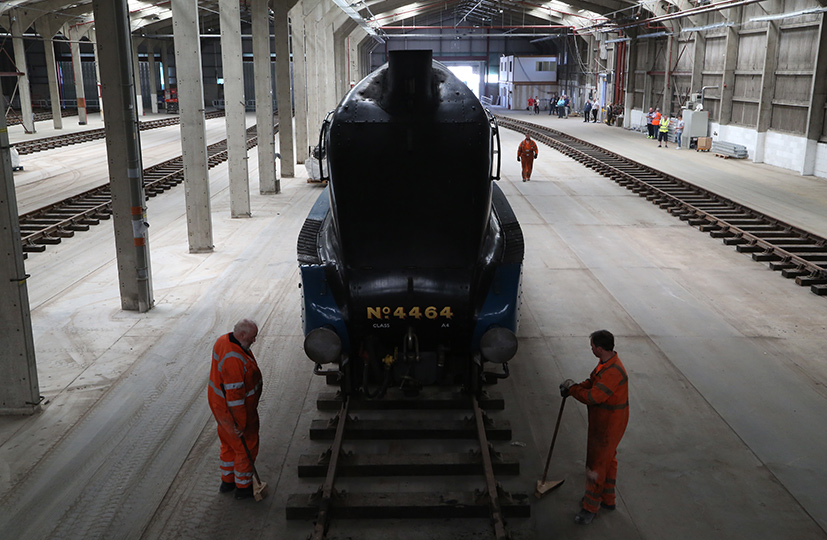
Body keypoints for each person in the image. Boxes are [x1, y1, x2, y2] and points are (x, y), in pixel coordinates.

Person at [560, 330, 629, 526]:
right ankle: (608, 500)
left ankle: (590, 508)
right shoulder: (606, 363)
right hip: (604, 420)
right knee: (608, 460)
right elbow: (592, 382)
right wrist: (576, 386)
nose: (591, 349)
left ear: (599, 348)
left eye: (592, 346)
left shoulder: (613, 371)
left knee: (596, 465)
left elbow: (593, 396)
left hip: (609, 424)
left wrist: (573, 389)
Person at [208, 319, 263, 500]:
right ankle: (243, 487)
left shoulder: (224, 341)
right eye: (253, 337)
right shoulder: (233, 361)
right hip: (234, 413)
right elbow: (235, 399)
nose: (254, 340)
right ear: (242, 335)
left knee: (229, 445)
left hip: (221, 409)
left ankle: (228, 482)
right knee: (246, 446)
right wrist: (240, 423)